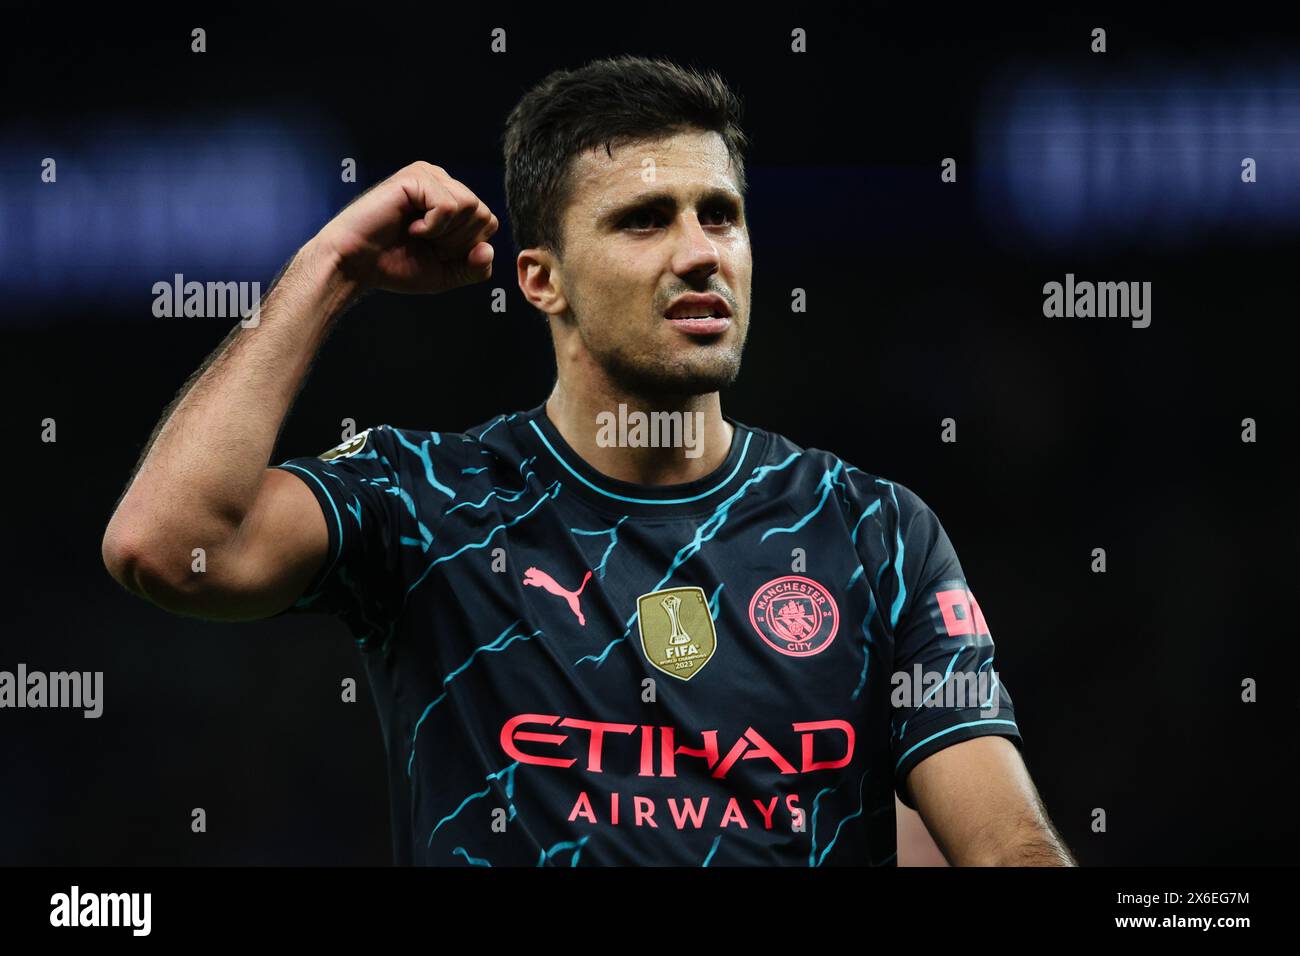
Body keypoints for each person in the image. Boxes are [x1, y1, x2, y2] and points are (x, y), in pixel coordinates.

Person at [102, 54, 1075, 867]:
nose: (700, 252)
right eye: (644, 219)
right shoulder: (431, 501)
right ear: (541, 278)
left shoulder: (874, 531)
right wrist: (331, 267)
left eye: (720, 214)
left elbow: (1007, 845)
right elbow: (169, 542)